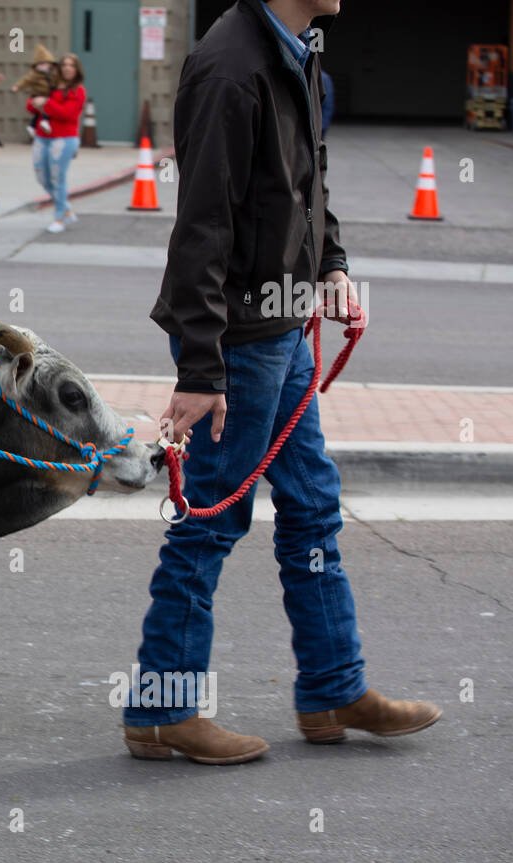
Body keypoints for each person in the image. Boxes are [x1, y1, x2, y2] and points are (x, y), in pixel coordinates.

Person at [124, 0, 441, 764]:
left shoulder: (297, 48)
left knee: (311, 506)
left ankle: (334, 689)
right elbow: (202, 222)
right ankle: (162, 707)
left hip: (284, 324)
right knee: (208, 520)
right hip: (238, 336)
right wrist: (202, 366)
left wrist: (329, 264)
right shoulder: (232, 67)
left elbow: (306, 180)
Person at [29, 53, 85, 234]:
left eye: (71, 65)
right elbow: (30, 106)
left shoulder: (78, 90)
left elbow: (66, 114)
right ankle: (66, 208)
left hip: (64, 138)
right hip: (42, 136)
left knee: (57, 178)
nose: (67, 68)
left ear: (76, 70)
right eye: (64, 65)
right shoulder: (50, 85)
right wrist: (40, 101)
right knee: (41, 176)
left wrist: (45, 102)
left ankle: (59, 218)